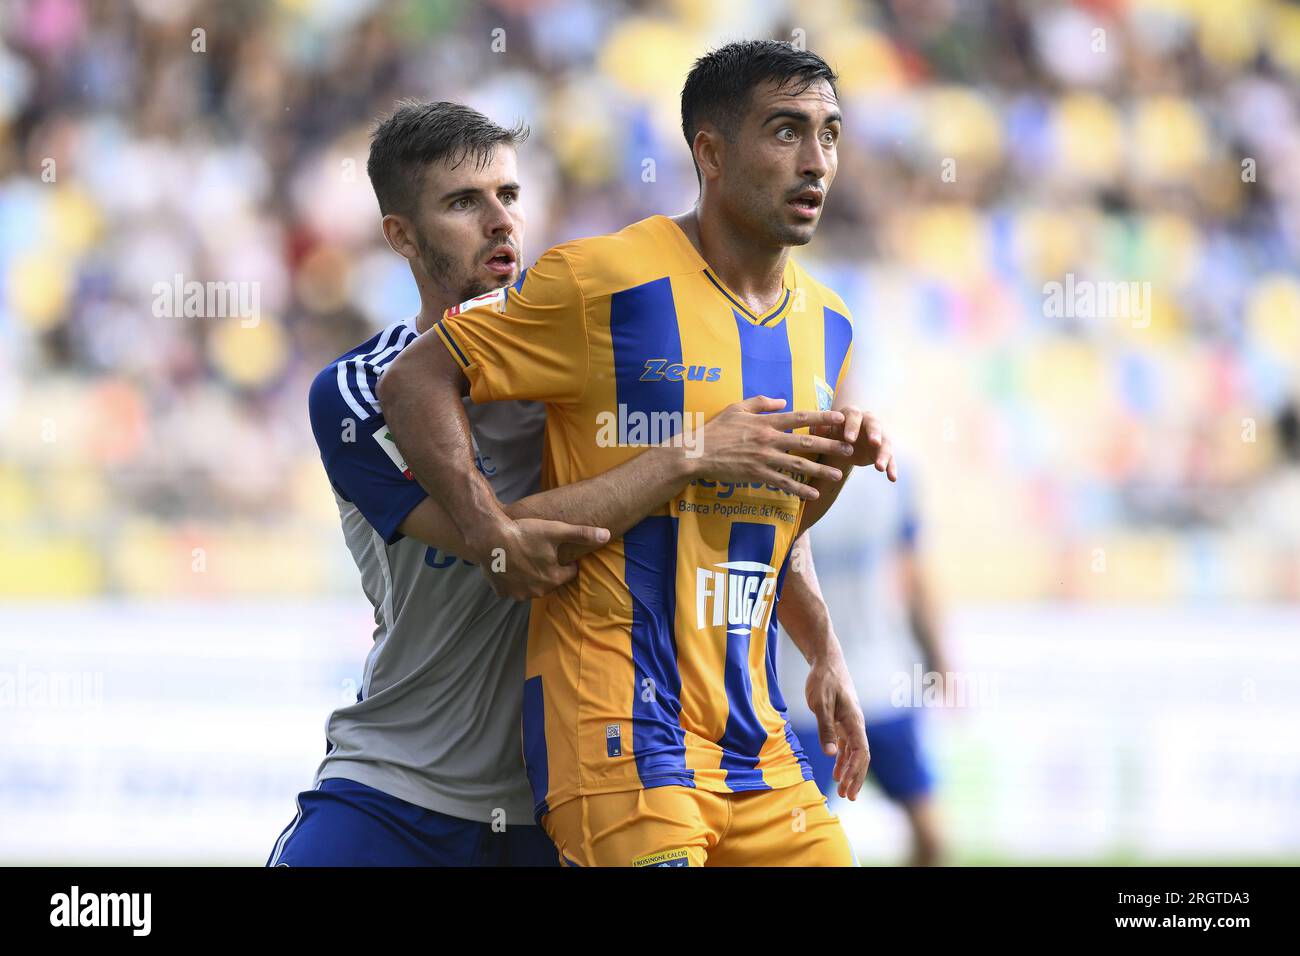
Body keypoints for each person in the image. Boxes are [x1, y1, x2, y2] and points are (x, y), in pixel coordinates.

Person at [269, 99, 854, 866]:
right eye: (462, 204)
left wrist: (821, 644)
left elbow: (742, 505)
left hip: (575, 791)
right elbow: (512, 551)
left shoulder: (602, 365)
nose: (501, 222)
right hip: (401, 785)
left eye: (509, 197)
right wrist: (682, 456)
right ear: (401, 236)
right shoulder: (359, 391)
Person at [780, 450, 948, 866]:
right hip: (802, 692)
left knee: (931, 836)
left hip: (880, 681)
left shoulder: (893, 469)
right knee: (797, 845)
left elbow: (913, 575)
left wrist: (938, 657)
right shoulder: (780, 467)